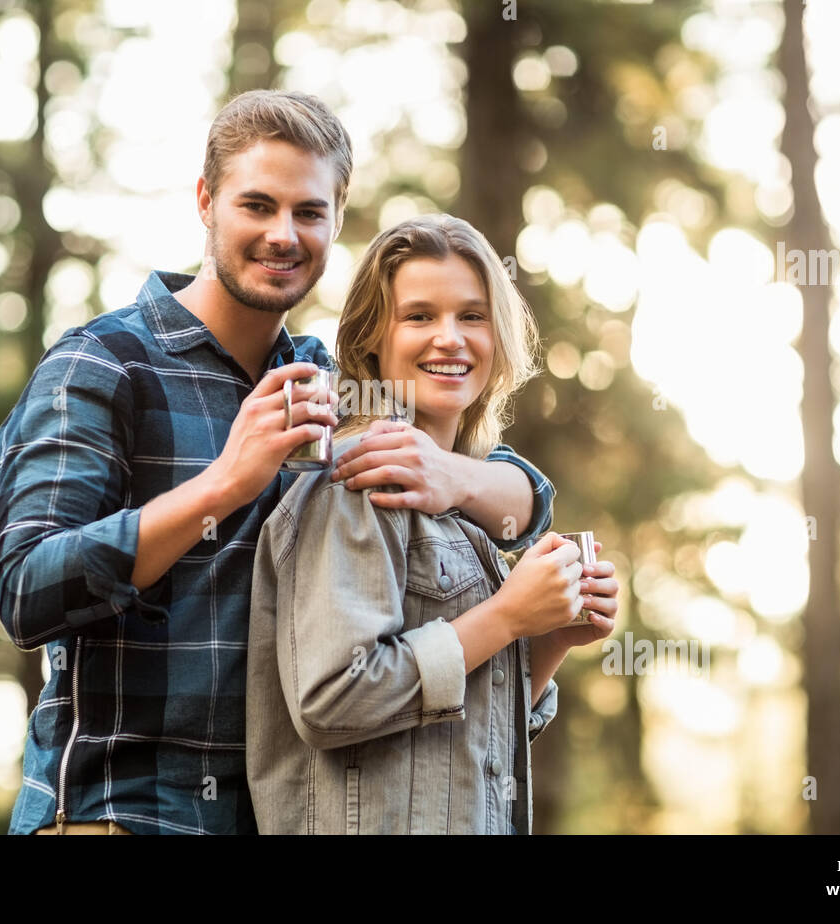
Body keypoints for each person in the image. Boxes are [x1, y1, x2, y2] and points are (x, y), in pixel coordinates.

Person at [0, 91, 558, 835]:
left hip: (275, 816)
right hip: (121, 816)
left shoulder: (328, 383)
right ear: (206, 201)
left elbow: (517, 488)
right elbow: (28, 590)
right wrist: (226, 482)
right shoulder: (103, 366)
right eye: (257, 205)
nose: (283, 234)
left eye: (309, 212)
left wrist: (463, 478)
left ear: (335, 220)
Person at [247, 215, 619, 834]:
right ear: (374, 341)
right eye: (419, 316)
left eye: (472, 316)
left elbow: (459, 740)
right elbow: (332, 700)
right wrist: (506, 618)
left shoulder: (463, 506)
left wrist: (546, 641)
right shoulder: (360, 481)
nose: (450, 338)